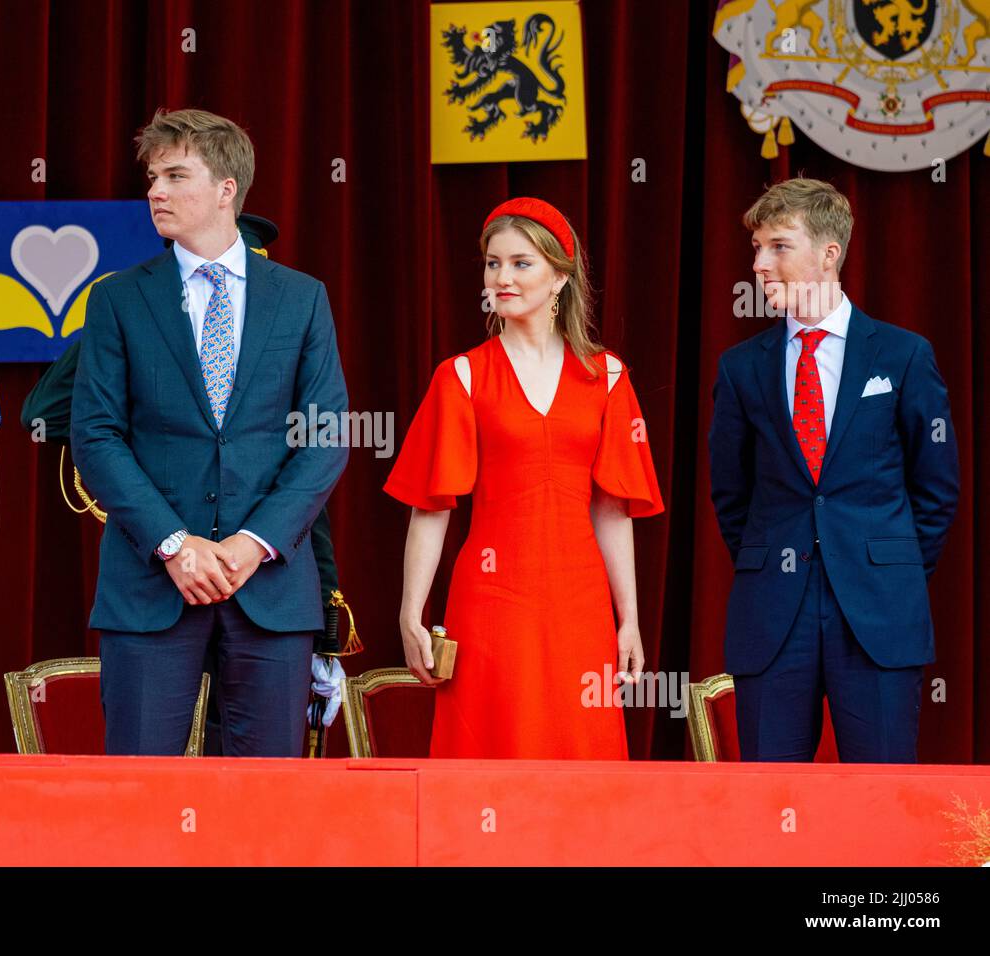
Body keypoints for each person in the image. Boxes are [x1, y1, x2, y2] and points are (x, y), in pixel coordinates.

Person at [71, 108, 348, 757]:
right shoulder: (117, 300)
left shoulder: (302, 298)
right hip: (149, 586)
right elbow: (97, 436)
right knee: (141, 802)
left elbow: (326, 435)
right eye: (151, 178)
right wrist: (175, 545)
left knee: (266, 814)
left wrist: (254, 544)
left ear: (227, 188)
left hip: (272, 593)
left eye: (174, 175)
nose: (154, 192)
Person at [383, 197, 664, 759]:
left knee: (581, 758)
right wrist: (411, 612)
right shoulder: (461, 374)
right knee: (491, 753)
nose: (501, 277)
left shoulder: (607, 376)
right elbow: (432, 507)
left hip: (579, 605)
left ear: (560, 275)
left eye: (520, 263)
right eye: (492, 263)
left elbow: (612, 508)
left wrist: (628, 619)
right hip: (490, 603)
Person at [709, 177, 959, 762]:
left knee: (881, 802)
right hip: (772, 616)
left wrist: (888, 570)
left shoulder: (903, 355)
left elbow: (937, 487)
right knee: (770, 809)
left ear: (829, 253)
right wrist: (773, 562)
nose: (759, 264)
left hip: (879, 612)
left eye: (778, 246)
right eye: (756, 248)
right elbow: (730, 495)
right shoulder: (742, 368)